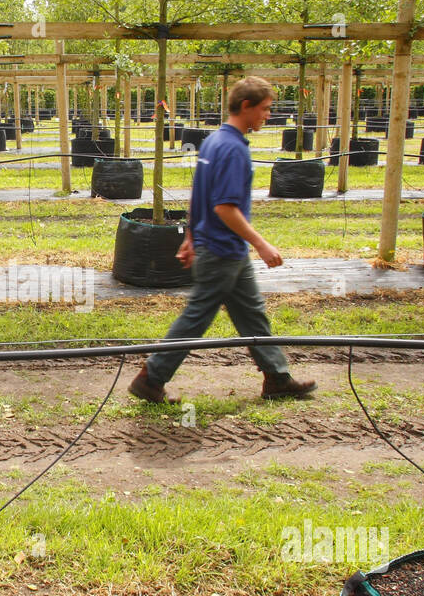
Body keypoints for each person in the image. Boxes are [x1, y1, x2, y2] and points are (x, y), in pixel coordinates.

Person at [129, 76, 316, 403]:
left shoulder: (214, 142)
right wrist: (262, 244)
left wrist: (189, 237)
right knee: (197, 316)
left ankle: (277, 378)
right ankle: (151, 377)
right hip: (221, 250)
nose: (268, 117)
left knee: (252, 313)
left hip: (225, 249)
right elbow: (225, 207)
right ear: (246, 106)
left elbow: (198, 194)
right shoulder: (231, 148)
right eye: (265, 110)